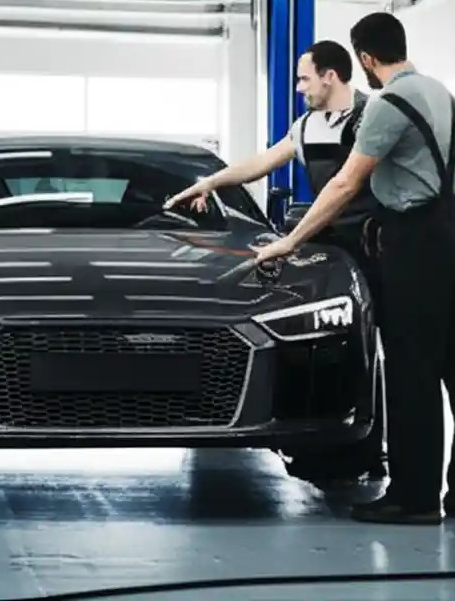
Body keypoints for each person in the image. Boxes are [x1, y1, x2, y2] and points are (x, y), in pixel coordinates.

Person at [254, 11, 455, 524]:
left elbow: (345, 183)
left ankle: (415, 497)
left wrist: (290, 240)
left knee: (411, 368)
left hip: (415, 237)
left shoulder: (387, 103)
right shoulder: (442, 94)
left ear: (365, 58)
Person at [166, 39, 388, 482]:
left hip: (374, 245)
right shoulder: (306, 126)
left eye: (305, 79)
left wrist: (292, 239)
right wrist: (210, 183)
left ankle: (371, 445)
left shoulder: (372, 117)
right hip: (328, 246)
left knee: (378, 351)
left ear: (330, 76)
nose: (299, 88)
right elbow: (264, 161)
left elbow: (345, 185)